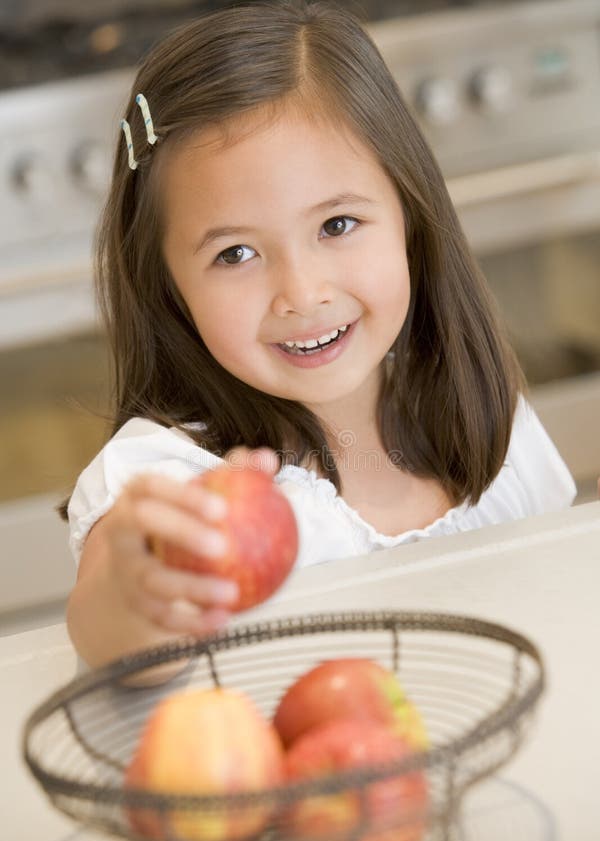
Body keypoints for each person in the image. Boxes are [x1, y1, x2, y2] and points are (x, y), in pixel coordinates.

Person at [63, 0, 576, 670]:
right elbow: (121, 642)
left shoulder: (484, 417)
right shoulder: (175, 488)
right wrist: (138, 598)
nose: (302, 294)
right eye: (236, 254)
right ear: (167, 286)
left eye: (336, 226)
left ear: (409, 215)